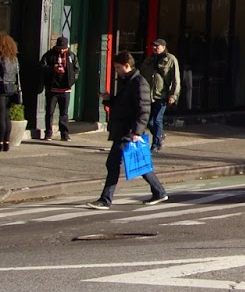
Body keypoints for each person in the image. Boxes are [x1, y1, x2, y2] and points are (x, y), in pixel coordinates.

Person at [87, 51, 168, 209]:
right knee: (137, 164)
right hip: (124, 129)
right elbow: (124, 105)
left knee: (113, 164)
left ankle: (106, 199)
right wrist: (110, 100)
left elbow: (144, 109)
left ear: (127, 66)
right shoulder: (128, 81)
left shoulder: (139, 83)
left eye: (118, 67)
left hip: (128, 131)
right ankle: (159, 191)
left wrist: (137, 132)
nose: (116, 70)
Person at [138, 38, 182, 152]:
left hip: (162, 95)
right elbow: (142, 75)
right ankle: (160, 135)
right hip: (148, 95)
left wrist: (173, 95)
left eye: (157, 46)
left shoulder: (170, 59)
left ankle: (155, 144)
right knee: (149, 121)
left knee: (157, 119)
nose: (154, 48)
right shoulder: (149, 60)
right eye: (153, 46)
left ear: (163, 47)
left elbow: (176, 79)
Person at [38, 34, 77, 141]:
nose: (61, 51)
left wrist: (71, 81)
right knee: (49, 111)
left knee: (64, 113)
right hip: (52, 88)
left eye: (63, 49)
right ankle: (48, 133)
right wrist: (52, 68)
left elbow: (77, 70)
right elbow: (42, 67)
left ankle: (64, 134)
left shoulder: (71, 55)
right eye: (60, 48)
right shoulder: (49, 55)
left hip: (65, 89)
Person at [0, 32, 20, 152]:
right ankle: (7, 141)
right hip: (11, 88)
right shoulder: (14, 59)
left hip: (1, 88)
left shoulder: (1, 58)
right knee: (7, 116)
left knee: (1, 116)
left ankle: (0, 142)